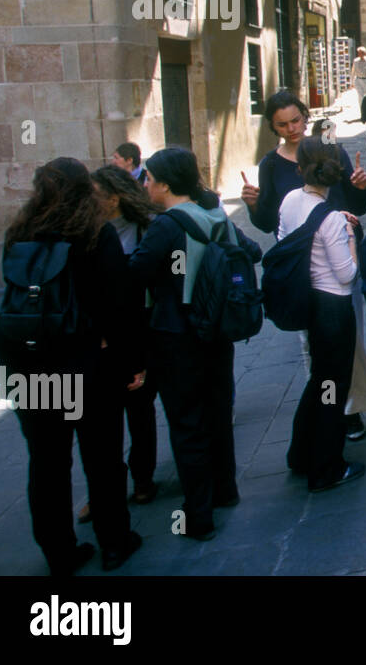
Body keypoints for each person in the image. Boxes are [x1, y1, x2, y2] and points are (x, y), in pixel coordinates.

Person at [0, 158, 144, 574]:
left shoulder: (18, 234)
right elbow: (119, 305)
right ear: (86, 191)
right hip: (87, 364)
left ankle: (58, 552)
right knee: (103, 457)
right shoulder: (96, 234)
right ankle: (115, 543)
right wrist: (132, 361)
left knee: (46, 461)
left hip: (30, 364)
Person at [129, 148, 257, 541]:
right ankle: (225, 490)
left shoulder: (167, 225)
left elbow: (134, 274)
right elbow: (252, 252)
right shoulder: (215, 214)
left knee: (187, 424)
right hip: (216, 330)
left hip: (177, 335)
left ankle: (197, 515)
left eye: (148, 179)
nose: (145, 185)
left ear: (165, 184)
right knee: (217, 413)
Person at [241, 90, 366, 440]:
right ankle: (326, 407)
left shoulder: (328, 147)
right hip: (304, 272)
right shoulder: (271, 165)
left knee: (350, 341)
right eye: (282, 125)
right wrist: (255, 206)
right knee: (311, 347)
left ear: (305, 114)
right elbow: (271, 220)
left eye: (296, 120)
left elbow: (355, 204)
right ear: (273, 127)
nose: (292, 129)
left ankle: (349, 409)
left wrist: (361, 187)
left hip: (340, 261)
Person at [280, 138, 366, 492]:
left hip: (308, 303)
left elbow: (284, 239)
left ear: (300, 168)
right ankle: (327, 465)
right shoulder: (332, 219)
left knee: (319, 381)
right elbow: (347, 274)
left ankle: (300, 453)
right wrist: (349, 237)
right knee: (333, 387)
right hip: (333, 308)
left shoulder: (290, 201)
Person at [76, 166, 159, 527]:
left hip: (140, 328)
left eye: (98, 194)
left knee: (140, 406)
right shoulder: (86, 231)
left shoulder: (146, 226)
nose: (92, 201)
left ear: (117, 195)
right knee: (99, 421)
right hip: (103, 335)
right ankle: (103, 491)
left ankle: (143, 478)